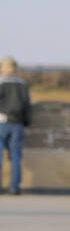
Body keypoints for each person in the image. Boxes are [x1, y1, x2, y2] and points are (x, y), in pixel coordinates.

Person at [0, 56, 31, 194]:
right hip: (17, 123)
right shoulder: (22, 84)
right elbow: (27, 106)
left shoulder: (1, 83)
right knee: (16, 156)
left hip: (1, 123)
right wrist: (26, 122)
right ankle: (14, 187)